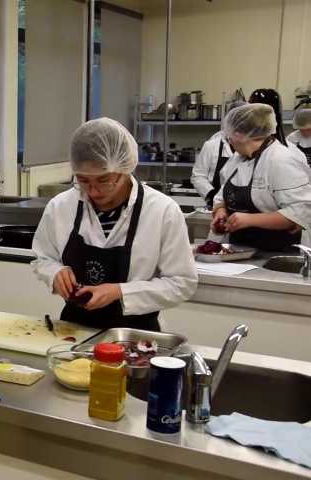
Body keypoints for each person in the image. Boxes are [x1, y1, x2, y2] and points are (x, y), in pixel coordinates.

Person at [32, 118, 197, 332]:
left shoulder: (162, 211)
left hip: (135, 336)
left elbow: (182, 283)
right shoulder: (61, 206)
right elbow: (42, 258)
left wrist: (120, 292)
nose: (93, 191)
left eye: (103, 180)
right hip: (73, 331)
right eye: (83, 180)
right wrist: (55, 272)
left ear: (125, 168)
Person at [211, 103, 311, 252]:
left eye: (229, 136)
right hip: (238, 250)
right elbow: (222, 196)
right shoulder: (237, 159)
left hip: (277, 253)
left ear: (239, 134)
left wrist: (250, 220)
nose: (229, 141)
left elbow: (301, 212)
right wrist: (221, 212)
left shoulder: (280, 160)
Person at [190, 101, 246, 208]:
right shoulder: (212, 146)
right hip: (216, 206)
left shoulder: (252, 146)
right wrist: (211, 195)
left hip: (244, 207)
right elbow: (198, 176)